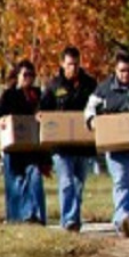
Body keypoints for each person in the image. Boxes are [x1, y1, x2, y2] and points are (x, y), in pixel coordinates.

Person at [85, 49, 129, 238]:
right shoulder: (104, 89)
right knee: (121, 181)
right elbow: (89, 109)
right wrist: (92, 121)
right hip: (114, 145)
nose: (125, 75)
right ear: (115, 70)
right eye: (122, 71)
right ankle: (122, 220)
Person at [39, 46, 98, 232]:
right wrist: (40, 116)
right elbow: (42, 108)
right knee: (66, 182)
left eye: (76, 64)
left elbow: (99, 106)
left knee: (78, 185)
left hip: (83, 145)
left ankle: (73, 217)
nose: (73, 68)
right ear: (62, 64)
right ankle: (70, 220)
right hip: (61, 146)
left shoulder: (90, 84)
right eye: (70, 64)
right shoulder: (54, 85)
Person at [0, 60, 47, 224]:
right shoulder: (9, 95)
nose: (28, 79)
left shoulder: (36, 95)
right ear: (18, 76)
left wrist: (40, 115)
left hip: (31, 147)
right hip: (13, 148)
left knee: (35, 176)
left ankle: (35, 215)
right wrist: (1, 122)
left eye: (31, 75)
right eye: (25, 75)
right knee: (16, 182)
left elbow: (44, 112)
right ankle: (16, 217)